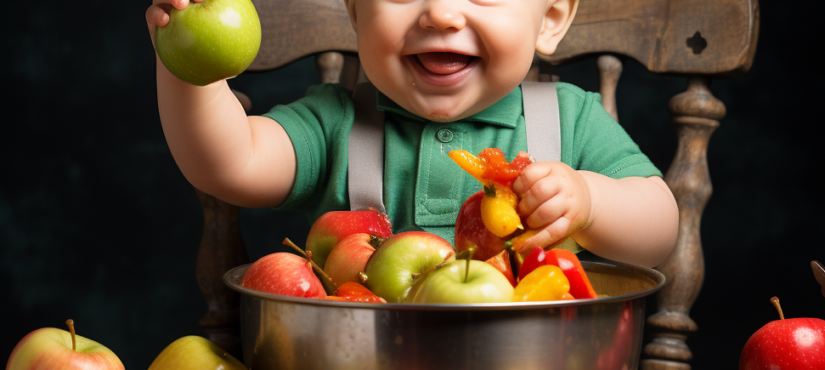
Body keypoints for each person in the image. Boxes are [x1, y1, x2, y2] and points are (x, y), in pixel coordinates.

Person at [145, 0, 679, 267]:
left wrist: (588, 202)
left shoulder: (567, 121)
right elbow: (227, 163)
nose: (442, 14)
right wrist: (187, 61)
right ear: (356, 10)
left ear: (551, 17)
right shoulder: (337, 126)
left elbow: (660, 229)